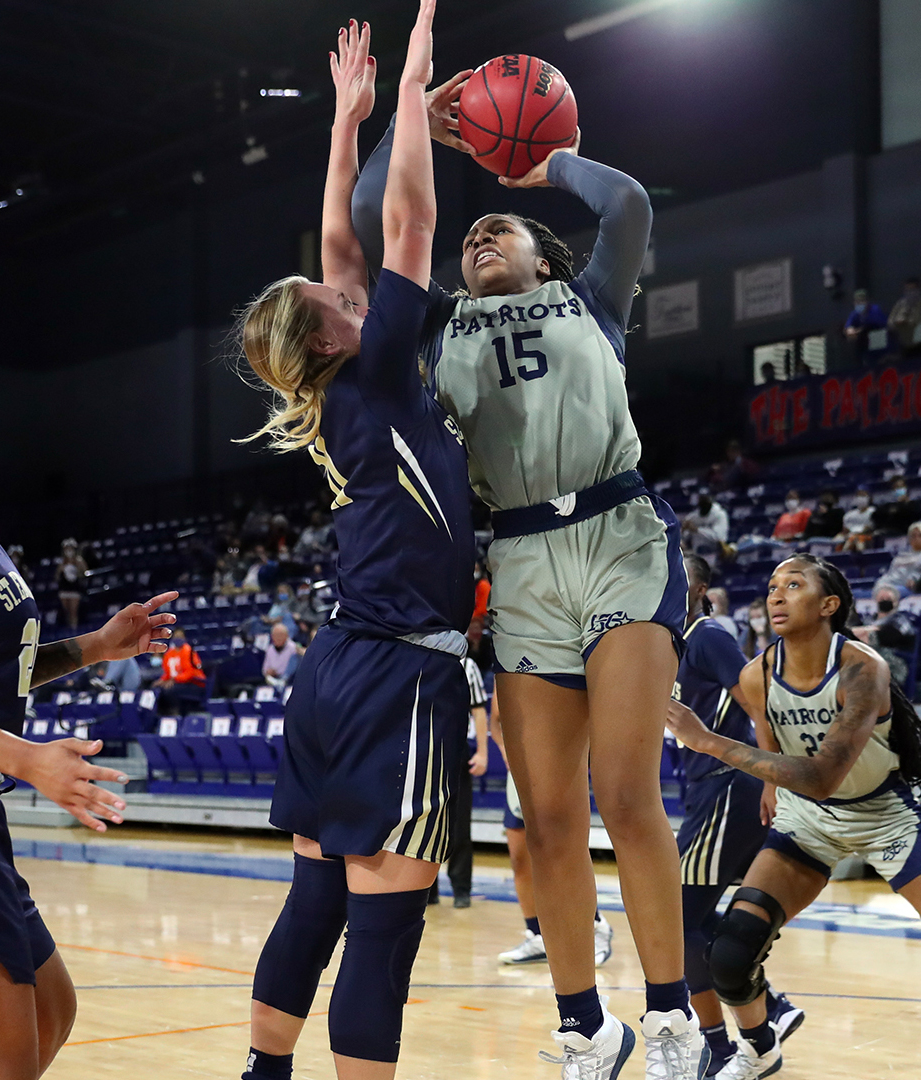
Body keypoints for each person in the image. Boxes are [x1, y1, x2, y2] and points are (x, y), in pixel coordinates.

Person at [358, 33, 700, 1073]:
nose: (478, 238)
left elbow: (630, 203)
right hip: (519, 565)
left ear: (545, 253)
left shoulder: (594, 298)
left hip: (618, 539)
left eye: (498, 229)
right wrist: (412, 113)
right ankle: (584, 1026)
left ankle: (677, 1018)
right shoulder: (440, 327)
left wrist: (534, 164)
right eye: (468, 237)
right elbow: (387, 218)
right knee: (547, 820)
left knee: (626, 792)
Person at [236, 11, 477, 1078]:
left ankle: (262, 1075)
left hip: (335, 671)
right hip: (396, 675)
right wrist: (417, 77)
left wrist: (346, 121)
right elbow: (408, 221)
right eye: (337, 299)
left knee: (315, 904)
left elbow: (342, 238)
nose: (348, 283)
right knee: (383, 936)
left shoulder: (346, 382)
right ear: (336, 332)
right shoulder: (379, 370)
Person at [0, 389, 177, 1080]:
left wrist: (97, 646)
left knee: (54, 1010)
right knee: (7, 1058)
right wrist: (27, 758)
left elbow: (7, 667)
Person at [665, 555, 921, 1079]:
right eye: (773, 586)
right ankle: (759, 1051)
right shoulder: (758, 674)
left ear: (829, 605)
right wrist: (768, 789)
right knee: (731, 956)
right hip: (810, 820)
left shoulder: (862, 667)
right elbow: (770, 739)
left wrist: (709, 742)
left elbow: (823, 774)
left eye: (794, 585)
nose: (777, 595)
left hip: (887, 811)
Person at [668, 556, 805, 1076]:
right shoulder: (671, 644)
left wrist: (771, 777)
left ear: (701, 588)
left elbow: (760, 704)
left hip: (731, 784)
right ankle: (768, 1009)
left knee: (678, 918)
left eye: (676, 574)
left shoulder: (708, 636)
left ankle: (726, 1044)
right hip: (708, 789)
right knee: (692, 919)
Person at [489, 695, 615, 970]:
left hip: (559, 764)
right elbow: (496, 719)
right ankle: (536, 935)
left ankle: (596, 927)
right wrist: (504, 749)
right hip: (520, 768)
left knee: (562, 854)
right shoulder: (508, 664)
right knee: (519, 859)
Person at [432, 653, 489, 908]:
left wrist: (482, 752)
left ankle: (461, 888)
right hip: (426, 750)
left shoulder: (467, 664)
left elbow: (478, 711)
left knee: (460, 824)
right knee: (424, 822)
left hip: (457, 750)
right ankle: (426, 891)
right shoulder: (418, 657)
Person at [154, 627, 208, 714]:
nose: (178, 639)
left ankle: (175, 714)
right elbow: (168, 673)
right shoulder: (169, 654)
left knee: (170, 691)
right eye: (176, 636)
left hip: (194, 683)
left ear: (184, 638)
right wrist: (162, 680)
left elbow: (190, 673)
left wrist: (174, 680)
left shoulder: (189, 651)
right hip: (178, 683)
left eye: (180, 636)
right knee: (156, 688)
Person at [843, 287, 890, 363]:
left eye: (862, 301)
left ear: (867, 301)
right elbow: (848, 327)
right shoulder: (855, 313)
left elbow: (874, 325)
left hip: (879, 341)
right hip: (865, 345)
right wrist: (850, 330)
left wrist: (859, 330)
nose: (859, 304)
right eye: (857, 301)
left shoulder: (875, 309)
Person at [873, 521, 921, 594]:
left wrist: (915, 580)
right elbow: (891, 572)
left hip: (908, 587)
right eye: (913, 535)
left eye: (919, 535)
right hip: (890, 583)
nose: (916, 538)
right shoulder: (902, 555)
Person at [55, 539, 88, 631]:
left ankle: (74, 630)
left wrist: (78, 569)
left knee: (73, 611)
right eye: (67, 549)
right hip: (64, 589)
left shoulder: (79, 561)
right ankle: (68, 629)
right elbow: (57, 577)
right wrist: (61, 570)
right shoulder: (61, 562)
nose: (69, 551)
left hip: (74, 589)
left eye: (71, 549)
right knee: (66, 612)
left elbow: (85, 573)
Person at [262, 620, 301, 689]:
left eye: (280, 635)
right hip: (273, 680)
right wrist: (268, 672)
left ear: (286, 636)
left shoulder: (293, 648)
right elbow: (265, 670)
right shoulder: (270, 649)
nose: (278, 638)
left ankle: (282, 681)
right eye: (275, 635)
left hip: (290, 681)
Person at [889, 277, 921, 355]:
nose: (910, 293)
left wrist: (907, 323)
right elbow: (890, 322)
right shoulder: (900, 304)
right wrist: (896, 324)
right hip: (904, 344)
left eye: (913, 290)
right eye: (908, 290)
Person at [839, 488, 876, 552]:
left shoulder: (873, 511)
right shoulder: (849, 515)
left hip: (866, 536)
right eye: (858, 496)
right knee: (840, 539)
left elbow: (870, 527)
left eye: (863, 496)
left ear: (869, 498)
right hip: (850, 536)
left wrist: (857, 534)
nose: (860, 498)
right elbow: (845, 529)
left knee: (858, 542)